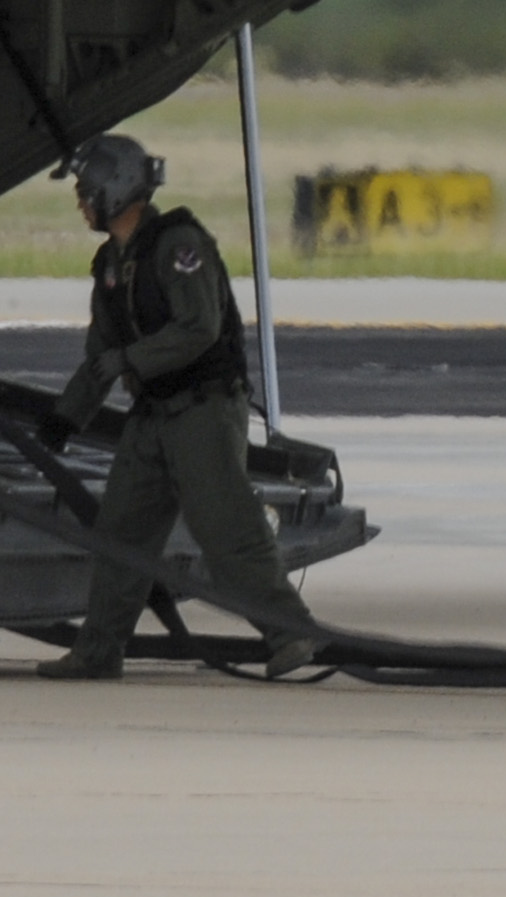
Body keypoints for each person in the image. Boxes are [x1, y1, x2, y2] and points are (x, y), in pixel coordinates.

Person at [32, 133, 321, 682]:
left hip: (203, 412)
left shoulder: (179, 246)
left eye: (85, 191)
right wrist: (66, 418)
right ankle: (99, 651)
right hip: (153, 417)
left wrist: (129, 359)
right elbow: (100, 356)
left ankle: (291, 632)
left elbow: (198, 329)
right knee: (120, 535)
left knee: (227, 530)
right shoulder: (111, 264)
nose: (80, 202)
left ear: (115, 189)